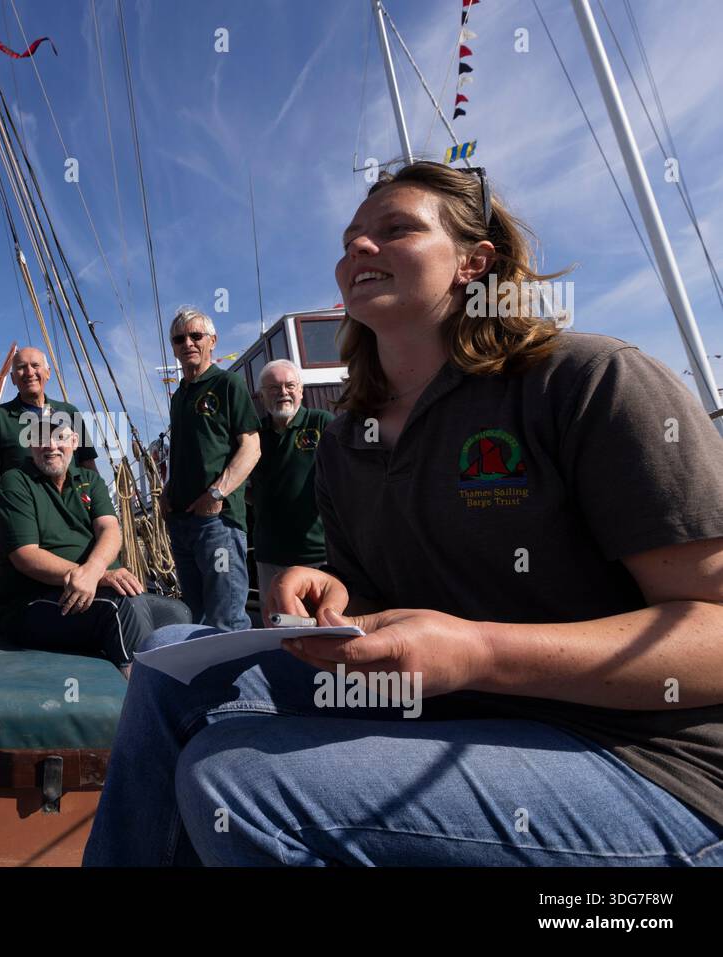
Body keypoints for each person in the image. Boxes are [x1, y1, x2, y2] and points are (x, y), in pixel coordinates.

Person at [84, 161, 723, 866]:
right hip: (458, 709)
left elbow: (713, 630)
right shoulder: (345, 445)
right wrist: (337, 594)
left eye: (396, 230)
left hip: (653, 761)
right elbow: (386, 607)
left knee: (238, 783)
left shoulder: (589, 383)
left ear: (473, 265)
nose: (358, 248)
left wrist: (478, 651)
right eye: (352, 237)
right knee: (169, 664)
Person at [0, 422, 184, 674]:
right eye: (41, 438)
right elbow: (26, 556)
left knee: (177, 614)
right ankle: (146, 699)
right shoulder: (15, 483)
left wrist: (94, 571)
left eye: (60, 437)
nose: (51, 445)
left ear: (74, 442)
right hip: (34, 599)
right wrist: (99, 576)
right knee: (120, 607)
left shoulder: (89, 480)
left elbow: (110, 530)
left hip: (94, 588)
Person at [163, 307, 261, 632]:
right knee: (196, 618)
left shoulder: (227, 383)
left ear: (212, 341)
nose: (188, 343)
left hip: (216, 521)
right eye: (180, 339)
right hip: (181, 523)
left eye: (196, 336)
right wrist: (166, 493)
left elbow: (252, 447)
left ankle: (236, 683)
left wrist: (217, 493)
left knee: (226, 619)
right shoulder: (179, 397)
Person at [247, 359, 335, 622]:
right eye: (273, 388)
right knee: (278, 628)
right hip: (270, 556)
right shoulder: (254, 435)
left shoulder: (322, 423)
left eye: (289, 386)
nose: (283, 392)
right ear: (262, 396)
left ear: (301, 391)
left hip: (319, 554)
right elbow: (241, 486)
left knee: (323, 625)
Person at [0, 346, 96, 500]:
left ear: (48, 373)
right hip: (23, 512)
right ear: (13, 378)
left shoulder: (71, 412)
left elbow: (90, 470)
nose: (29, 372)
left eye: (35, 365)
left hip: (72, 512)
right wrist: (12, 509)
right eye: (21, 367)